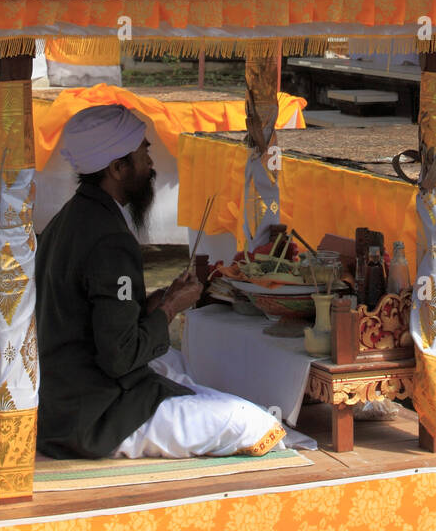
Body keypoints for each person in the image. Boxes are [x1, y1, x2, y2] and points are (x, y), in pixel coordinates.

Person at [35, 103, 286, 460]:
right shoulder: (108, 239)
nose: (151, 165)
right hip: (98, 418)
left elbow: (91, 314)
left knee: (185, 374)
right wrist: (170, 308)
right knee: (255, 423)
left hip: (60, 406)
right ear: (118, 168)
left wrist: (155, 302)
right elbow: (120, 357)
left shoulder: (67, 220)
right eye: (144, 154)